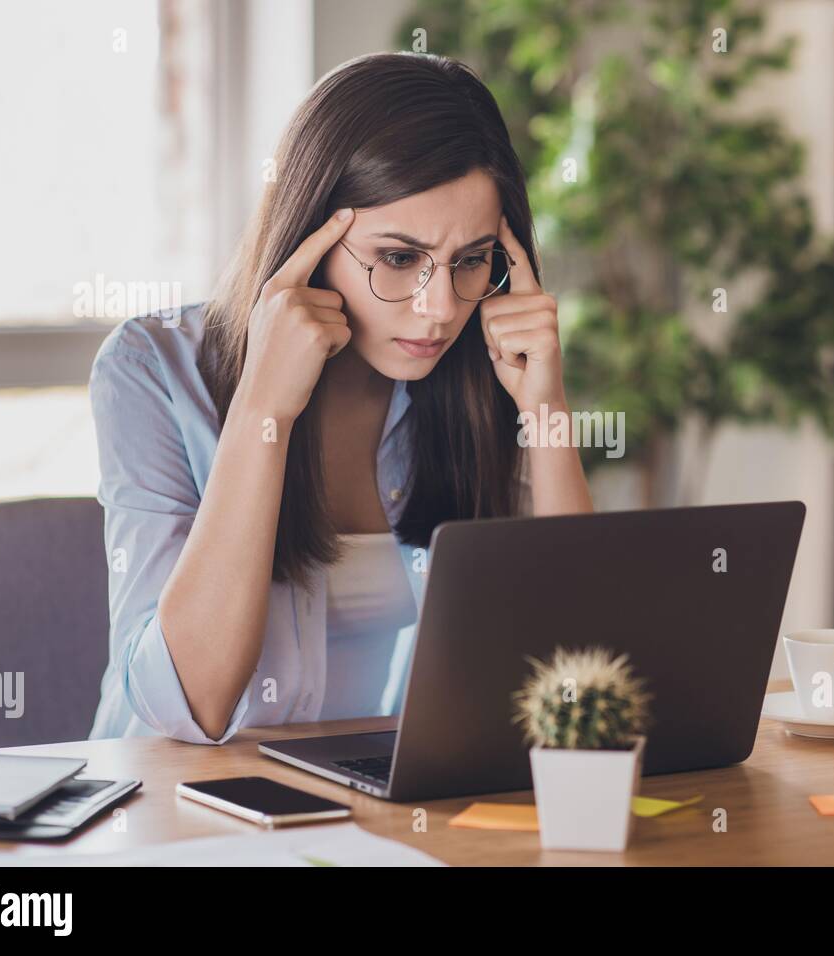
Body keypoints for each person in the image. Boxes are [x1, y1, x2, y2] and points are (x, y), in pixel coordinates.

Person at [88, 52, 592, 744]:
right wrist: (265, 410)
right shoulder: (150, 369)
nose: (440, 308)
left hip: (393, 813)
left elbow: (577, 680)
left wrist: (547, 414)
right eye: (398, 258)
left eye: (471, 260)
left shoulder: (482, 371)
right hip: (177, 816)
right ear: (309, 239)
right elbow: (192, 706)